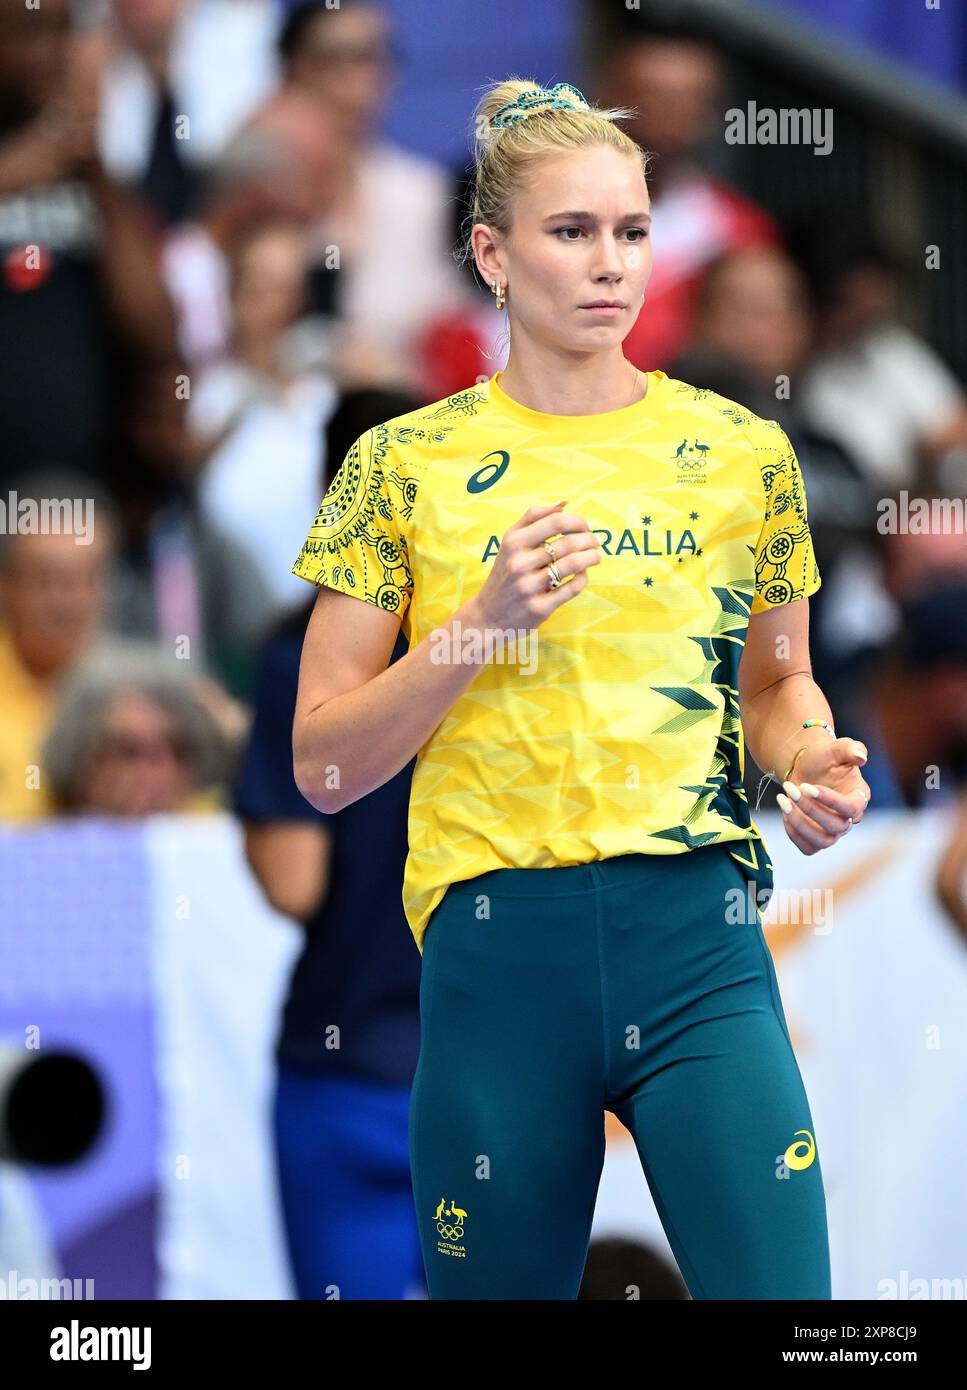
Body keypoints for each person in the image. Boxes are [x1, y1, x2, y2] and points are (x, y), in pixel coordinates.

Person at [289, 79, 872, 1300]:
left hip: (701, 950)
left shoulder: (743, 453)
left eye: (632, 230)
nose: (610, 265)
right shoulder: (397, 465)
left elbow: (778, 683)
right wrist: (481, 624)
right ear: (491, 254)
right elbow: (324, 765)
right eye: (571, 232)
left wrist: (808, 759)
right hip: (497, 966)